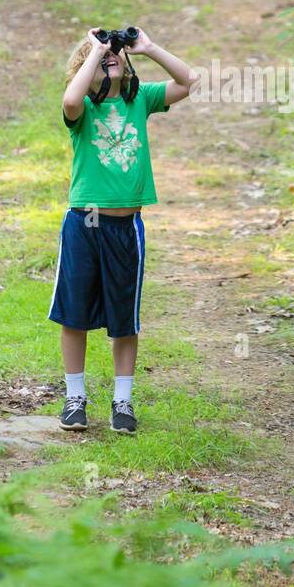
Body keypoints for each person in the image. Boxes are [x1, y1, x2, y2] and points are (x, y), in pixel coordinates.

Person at [48, 25, 194, 433]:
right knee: (74, 315)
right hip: (84, 224)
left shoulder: (141, 101)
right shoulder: (82, 111)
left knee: (124, 319)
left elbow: (188, 81)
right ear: (87, 65)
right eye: (99, 56)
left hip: (126, 226)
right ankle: (75, 397)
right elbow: (71, 98)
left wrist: (146, 48)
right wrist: (96, 50)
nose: (110, 55)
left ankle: (122, 402)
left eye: (116, 53)